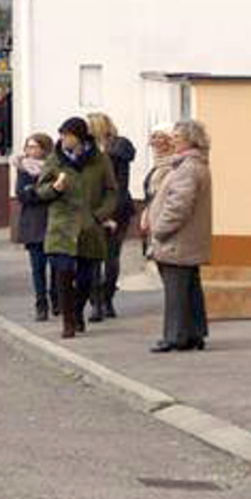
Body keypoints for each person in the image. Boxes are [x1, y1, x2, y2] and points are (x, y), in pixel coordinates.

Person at [31, 116, 118, 341]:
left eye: (67, 135)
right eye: (61, 135)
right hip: (61, 226)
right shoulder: (55, 159)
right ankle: (68, 321)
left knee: (86, 277)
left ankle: (77, 311)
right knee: (63, 272)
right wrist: (55, 188)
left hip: (89, 226)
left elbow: (111, 191)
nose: (63, 139)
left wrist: (100, 215)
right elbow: (40, 190)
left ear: (79, 137)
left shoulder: (99, 160)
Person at [145, 119, 212, 354]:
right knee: (189, 289)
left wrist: (160, 229)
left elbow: (178, 206)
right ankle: (194, 333)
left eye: (177, 138)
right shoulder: (193, 165)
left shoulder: (188, 168)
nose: (172, 142)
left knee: (177, 291)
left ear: (190, 140)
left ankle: (175, 336)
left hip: (177, 239)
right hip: (186, 239)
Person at [85, 111, 138, 323]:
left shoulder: (115, 149)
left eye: (89, 126)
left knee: (108, 257)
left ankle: (103, 300)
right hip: (101, 209)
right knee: (100, 258)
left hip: (113, 209)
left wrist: (109, 213)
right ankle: (100, 302)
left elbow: (118, 186)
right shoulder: (95, 150)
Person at [13, 133, 56, 322]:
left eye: (35, 147)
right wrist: (40, 193)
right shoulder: (23, 169)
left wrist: (36, 192)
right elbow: (23, 195)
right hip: (32, 222)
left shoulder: (54, 167)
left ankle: (56, 299)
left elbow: (56, 192)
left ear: (45, 149)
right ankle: (41, 304)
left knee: (56, 265)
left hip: (52, 220)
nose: (31, 151)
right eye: (28, 147)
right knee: (37, 267)